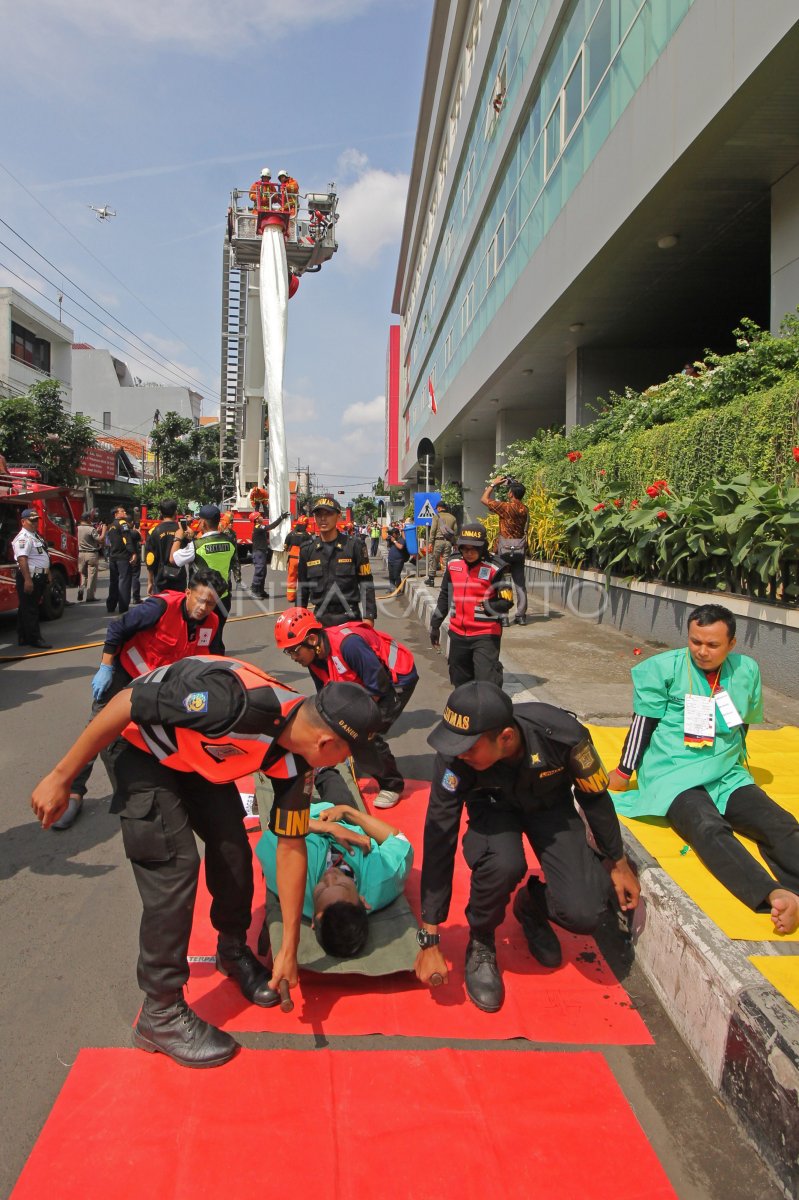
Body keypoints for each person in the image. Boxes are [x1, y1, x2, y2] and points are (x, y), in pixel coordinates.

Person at [31, 660, 384, 1068]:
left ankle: (231, 949)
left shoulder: (298, 759)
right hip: (139, 745)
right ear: (326, 744)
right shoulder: (230, 703)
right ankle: (159, 1013)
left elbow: (291, 846)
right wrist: (62, 776)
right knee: (174, 864)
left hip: (192, 754)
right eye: (346, 755)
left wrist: (289, 949)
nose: (341, 765)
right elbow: (127, 703)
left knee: (232, 846)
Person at [415, 682, 640, 1012]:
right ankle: (481, 940)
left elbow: (594, 796)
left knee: (585, 912)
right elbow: (439, 837)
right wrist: (430, 937)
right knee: (504, 862)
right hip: (491, 807)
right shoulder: (455, 759)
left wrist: (617, 863)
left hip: (550, 806)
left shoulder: (564, 736)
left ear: (505, 737)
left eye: (468, 747)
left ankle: (531, 905)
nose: (458, 752)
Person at [608, 604, 799, 936]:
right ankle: (774, 893)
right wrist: (625, 772)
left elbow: (742, 725)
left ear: (732, 644)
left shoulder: (746, 670)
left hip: (725, 772)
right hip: (673, 773)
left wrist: (737, 763)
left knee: (777, 822)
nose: (702, 651)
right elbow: (644, 723)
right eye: (695, 641)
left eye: (712, 645)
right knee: (707, 826)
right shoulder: (663, 668)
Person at [60, 567, 225, 832]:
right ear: (187, 593)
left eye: (211, 603)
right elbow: (117, 628)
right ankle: (73, 791)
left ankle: (165, 787)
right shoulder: (160, 607)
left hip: (159, 688)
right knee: (97, 729)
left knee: (165, 737)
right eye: (201, 599)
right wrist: (106, 667)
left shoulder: (212, 623)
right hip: (124, 675)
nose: (205, 607)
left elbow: (215, 658)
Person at [275, 606, 418, 808]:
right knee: (345, 729)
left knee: (365, 734)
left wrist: (353, 730)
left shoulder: (348, 645)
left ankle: (391, 784)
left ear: (312, 640)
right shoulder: (314, 659)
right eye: (288, 653)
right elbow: (328, 698)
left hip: (394, 682)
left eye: (294, 651)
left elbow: (378, 686)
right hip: (367, 685)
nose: (294, 657)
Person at [256, 800, 414, 958]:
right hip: (347, 818)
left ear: (313, 917)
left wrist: (328, 828)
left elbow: (277, 823)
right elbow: (399, 839)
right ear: (363, 901)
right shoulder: (382, 880)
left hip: (302, 809)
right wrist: (348, 812)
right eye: (342, 884)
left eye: (322, 888)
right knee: (337, 789)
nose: (330, 876)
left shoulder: (290, 882)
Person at [429, 523, 514, 687]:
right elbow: (445, 595)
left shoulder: (497, 568)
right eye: (465, 548)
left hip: (485, 635)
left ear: (483, 547)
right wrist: (435, 625)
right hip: (458, 634)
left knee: (486, 683)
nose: (469, 553)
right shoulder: (453, 563)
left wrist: (489, 606)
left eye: (474, 549)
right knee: (460, 683)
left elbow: (507, 601)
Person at [297, 496, 377, 627]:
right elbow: (302, 589)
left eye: (328, 514)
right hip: (319, 621)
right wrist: (300, 621)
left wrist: (369, 617)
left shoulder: (354, 546)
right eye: (319, 514)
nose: (323, 518)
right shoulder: (307, 550)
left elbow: (366, 583)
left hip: (350, 619)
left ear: (339, 516)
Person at [170, 504, 238, 652]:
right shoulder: (229, 541)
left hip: (203, 600)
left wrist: (178, 537)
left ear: (204, 523)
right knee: (217, 636)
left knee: (202, 641)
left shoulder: (197, 545)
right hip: (223, 598)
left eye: (199, 520)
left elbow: (173, 559)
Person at [481, 475, 530, 625]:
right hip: (519, 551)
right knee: (520, 584)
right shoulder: (525, 509)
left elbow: (484, 499)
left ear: (510, 494)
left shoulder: (505, 507)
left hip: (504, 550)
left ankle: (503, 617)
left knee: (503, 582)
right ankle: (521, 616)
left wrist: (493, 484)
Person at [12, 507, 51, 649]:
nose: (35, 523)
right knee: (31, 609)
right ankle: (35, 639)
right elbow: (22, 559)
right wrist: (28, 580)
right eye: (31, 521)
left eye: (36, 520)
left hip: (39, 575)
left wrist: (48, 573)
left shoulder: (35, 536)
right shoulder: (23, 538)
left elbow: (43, 555)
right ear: (23, 521)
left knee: (25, 608)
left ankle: (23, 636)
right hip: (30, 576)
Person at [144, 499, 185, 595]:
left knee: (162, 607)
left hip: (161, 578)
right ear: (176, 512)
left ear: (161, 513)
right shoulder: (182, 530)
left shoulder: (153, 531)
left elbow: (150, 559)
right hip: (179, 578)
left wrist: (150, 582)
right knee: (178, 606)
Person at [251, 509, 289, 599]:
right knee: (259, 571)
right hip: (259, 553)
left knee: (263, 572)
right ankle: (255, 590)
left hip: (261, 552)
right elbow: (271, 527)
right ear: (256, 519)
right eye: (260, 516)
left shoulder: (259, 527)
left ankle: (260, 590)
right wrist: (281, 518)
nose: (262, 517)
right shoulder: (258, 527)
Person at [106, 506, 137, 615]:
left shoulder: (111, 526)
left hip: (113, 556)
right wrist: (132, 552)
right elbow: (127, 538)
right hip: (123, 557)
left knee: (113, 582)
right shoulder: (123, 523)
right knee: (124, 581)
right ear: (116, 514)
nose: (124, 512)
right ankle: (123, 606)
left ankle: (111, 605)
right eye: (122, 511)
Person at [424, 500, 458, 586]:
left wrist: (430, 542)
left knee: (434, 559)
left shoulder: (436, 517)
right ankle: (445, 581)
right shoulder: (453, 517)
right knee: (446, 560)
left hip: (438, 541)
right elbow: (455, 531)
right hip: (448, 542)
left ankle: (431, 580)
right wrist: (454, 543)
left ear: (439, 508)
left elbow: (433, 530)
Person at [76, 511, 106, 603]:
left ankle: (81, 588)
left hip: (80, 554)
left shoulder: (77, 528)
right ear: (88, 519)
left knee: (83, 574)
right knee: (92, 575)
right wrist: (104, 530)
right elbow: (100, 540)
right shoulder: (90, 529)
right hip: (91, 554)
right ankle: (90, 596)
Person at [284, 514, 311, 603]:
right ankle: (302, 597)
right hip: (302, 559)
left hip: (292, 559)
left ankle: (290, 597)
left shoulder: (291, 534)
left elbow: (285, 547)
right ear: (306, 525)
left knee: (291, 577)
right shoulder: (307, 535)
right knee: (303, 578)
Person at [249, 167, 276, 234]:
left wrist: (272, 198)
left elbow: (276, 196)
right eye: (265, 177)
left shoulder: (271, 186)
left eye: (267, 177)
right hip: (258, 209)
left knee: (269, 224)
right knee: (254, 223)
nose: (266, 179)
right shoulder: (256, 185)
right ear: (262, 177)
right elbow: (251, 195)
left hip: (269, 210)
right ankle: (254, 233)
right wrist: (258, 198)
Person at [386, 523, 409, 590]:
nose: (391, 535)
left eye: (392, 534)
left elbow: (401, 547)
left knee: (396, 575)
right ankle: (392, 588)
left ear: (396, 534)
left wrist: (394, 541)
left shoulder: (401, 539)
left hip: (398, 561)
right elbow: (388, 547)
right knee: (391, 576)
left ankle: (398, 590)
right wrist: (389, 541)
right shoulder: (392, 540)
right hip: (391, 560)